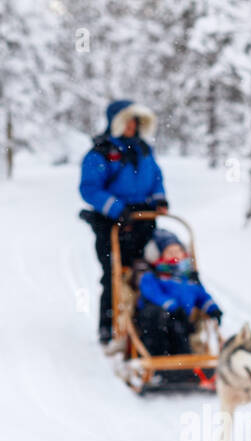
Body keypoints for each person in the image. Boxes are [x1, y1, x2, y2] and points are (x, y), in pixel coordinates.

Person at [78, 100, 169, 346]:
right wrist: (117, 208)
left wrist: (159, 199)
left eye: (135, 121)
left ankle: (145, 326)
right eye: (128, 121)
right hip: (112, 224)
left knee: (145, 272)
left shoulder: (144, 150)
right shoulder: (101, 153)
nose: (132, 126)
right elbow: (89, 189)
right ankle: (108, 327)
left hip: (144, 221)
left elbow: (156, 177)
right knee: (113, 275)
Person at [133, 230, 222, 356]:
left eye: (177, 251)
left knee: (182, 334)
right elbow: (153, 294)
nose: (174, 254)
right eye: (169, 252)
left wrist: (212, 308)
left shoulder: (190, 278)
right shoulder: (153, 276)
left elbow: (202, 296)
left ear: (184, 254)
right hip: (157, 319)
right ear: (160, 255)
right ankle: (159, 361)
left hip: (184, 320)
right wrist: (171, 306)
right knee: (162, 321)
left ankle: (183, 365)